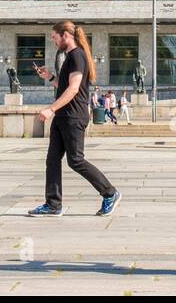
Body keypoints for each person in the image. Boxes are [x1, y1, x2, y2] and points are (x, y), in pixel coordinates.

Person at [28, 21, 121, 217]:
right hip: (63, 116)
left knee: (76, 160)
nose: (53, 41)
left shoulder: (78, 55)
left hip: (73, 116)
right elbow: (63, 86)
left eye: (55, 37)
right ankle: (53, 204)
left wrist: (51, 109)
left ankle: (110, 193)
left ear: (65, 36)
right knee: (52, 160)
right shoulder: (70, 57)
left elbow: (73, 89)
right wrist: (50, 77)